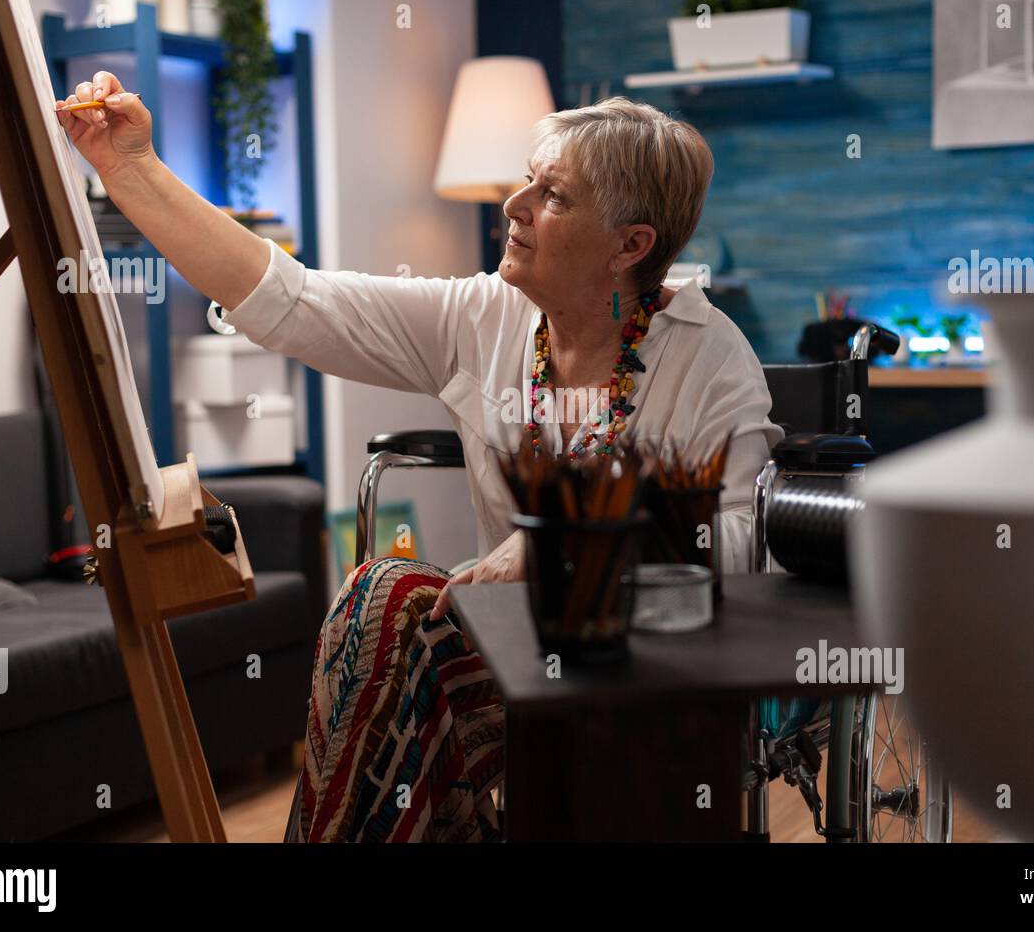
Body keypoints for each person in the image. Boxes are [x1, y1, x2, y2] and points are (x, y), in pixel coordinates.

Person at [57, 71, 784, 841]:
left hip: (650, 678)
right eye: (528, 182)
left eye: (555, 196)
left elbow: (745, 543)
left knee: (395, 614)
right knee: (386, 591)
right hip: (508, 662)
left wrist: (563, 548)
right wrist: (130, 167)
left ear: (630, 246)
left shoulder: (712, 358)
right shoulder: (485, 315)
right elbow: (292, 302)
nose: (514, 206)